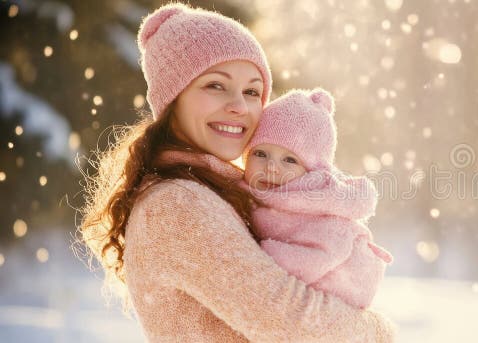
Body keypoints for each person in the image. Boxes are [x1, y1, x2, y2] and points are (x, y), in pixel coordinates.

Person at [77, 3, 396, 342]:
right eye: (216, 85)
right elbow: (291, 320)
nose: (239, 107)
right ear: (173, 97)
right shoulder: (176, 204)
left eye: (252, 92)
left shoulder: (217, 190)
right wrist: (377, 332)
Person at [163, 88, 394, 309]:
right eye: (260, 154)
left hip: (339, 288)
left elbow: (320, 256)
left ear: (313, 169)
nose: (272, 167)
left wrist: (261, 255)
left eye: (290, 160)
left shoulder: (321, 206)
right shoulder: (245, 190)